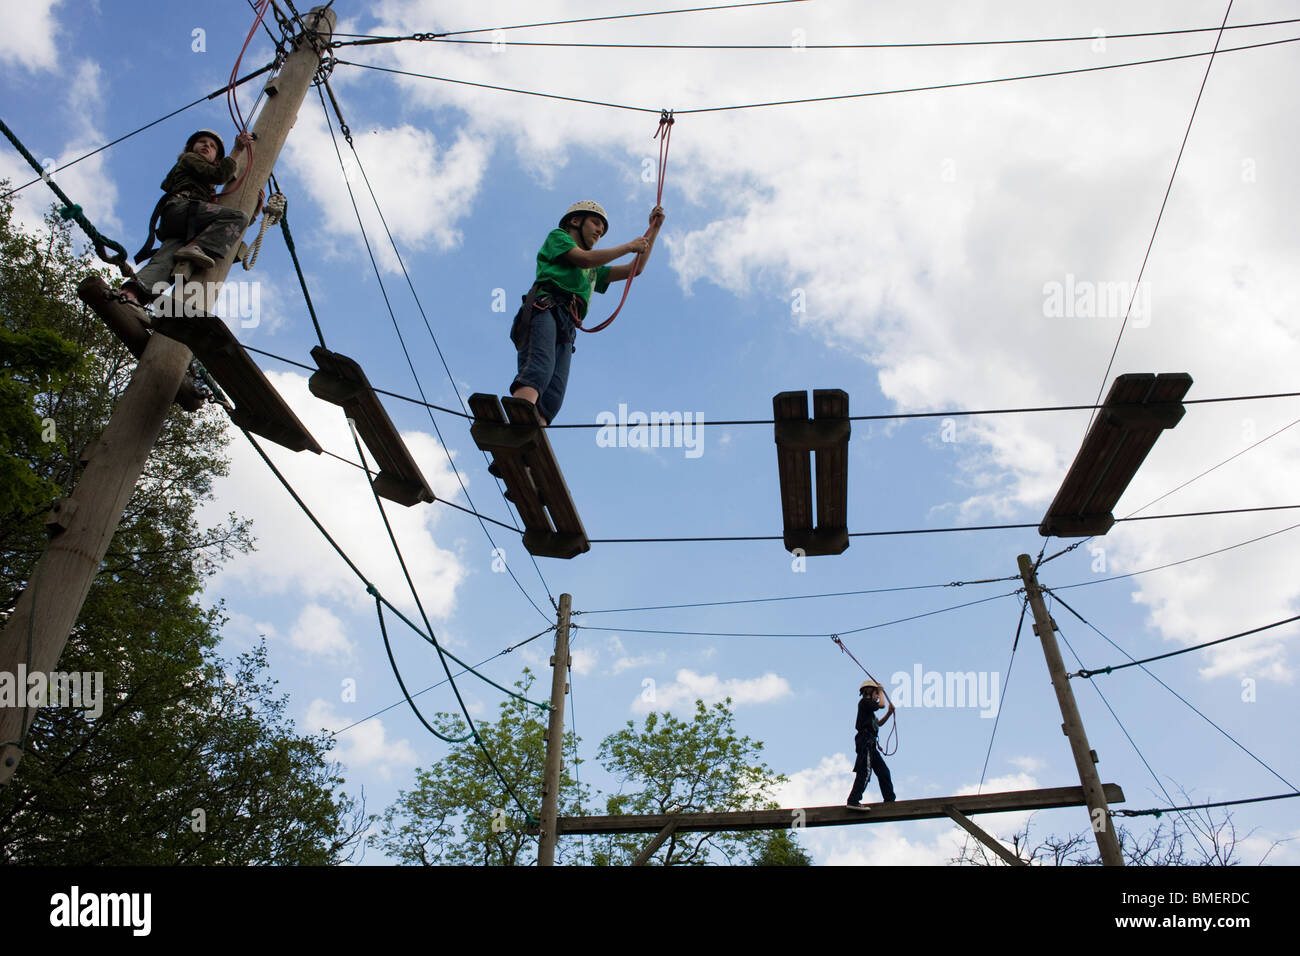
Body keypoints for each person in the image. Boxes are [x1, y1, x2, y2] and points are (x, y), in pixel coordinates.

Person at [507, 200, 665, 425]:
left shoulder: (595, 271)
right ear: (575, 220)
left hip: (568, 324)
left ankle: (534, 437)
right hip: (546, 308)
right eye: (595, 222)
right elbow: (583, 259)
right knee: (539, 368)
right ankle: (519, 420)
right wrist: (629, 246)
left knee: (554, 393)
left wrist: (654, 229)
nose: (600, 230)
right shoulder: (558, 237)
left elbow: (634, 270)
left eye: (602, 227)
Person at [118, 128, 257, 309]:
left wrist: (256, 208)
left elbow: (217, 208)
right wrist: (237, 150)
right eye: (202, 143)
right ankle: (195, 247)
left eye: (212, 146)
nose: (207, 145)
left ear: (216, 158)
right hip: (182, 209)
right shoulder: (190, 159)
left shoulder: (200, 179)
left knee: (167, 260)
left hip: (182, 221)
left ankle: (131, 294)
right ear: (191, 148)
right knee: (238, 218)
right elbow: (219, 176)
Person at [846, 679, 896, 809]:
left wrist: (889, 714)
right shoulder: (864, 703)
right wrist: (881, 691)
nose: (878, 697)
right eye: (876, 694)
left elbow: (878, 723)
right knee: (865, 772)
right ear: (870, 692)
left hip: (870, 743)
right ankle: (853, 800)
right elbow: (882, 705)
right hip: (865, 741)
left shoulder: (869, 712)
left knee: (883, 772)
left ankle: (889, 800)